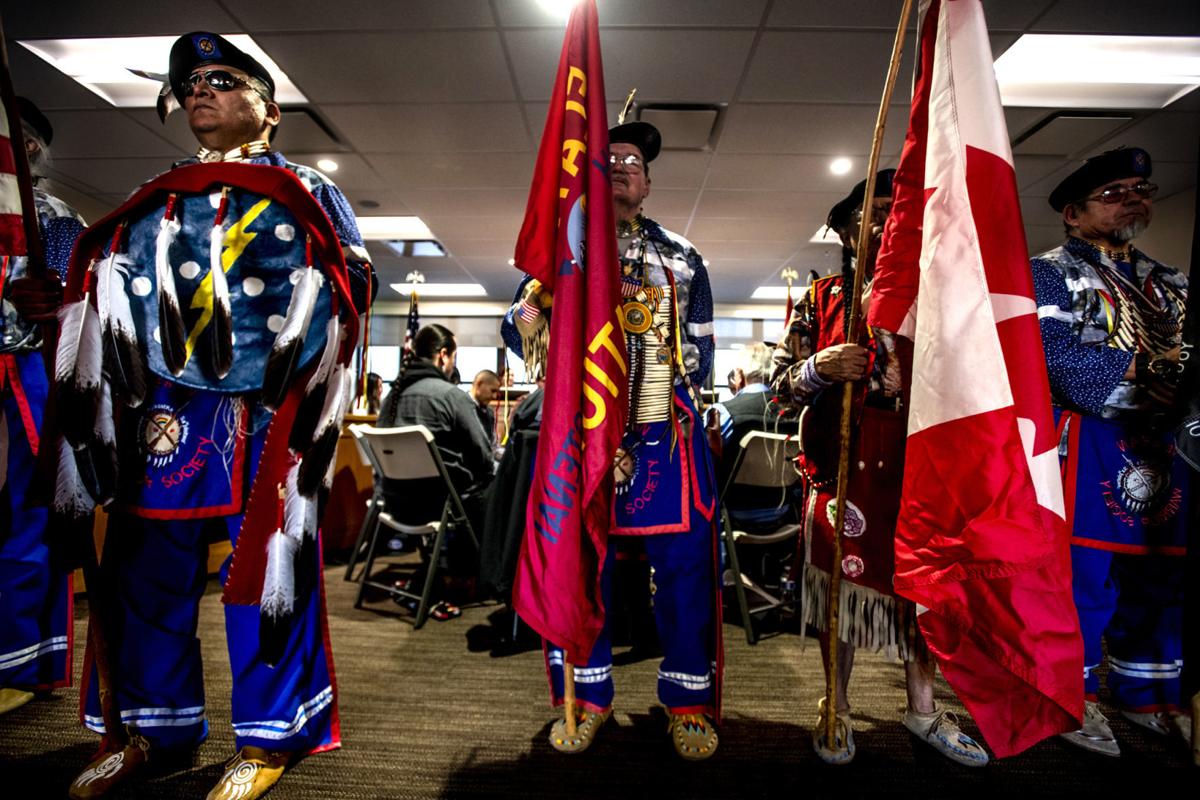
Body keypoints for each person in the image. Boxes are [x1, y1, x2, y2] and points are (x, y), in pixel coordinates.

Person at [60, 33, 375, 800]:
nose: (201, 90)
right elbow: (112, 297)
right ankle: (153, 726)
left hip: (271, 404)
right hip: (165, 401)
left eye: (224, 79)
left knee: (263, 568)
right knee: (148, 564)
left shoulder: (305, 188)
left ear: (268, 108)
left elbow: (354, 283)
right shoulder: (158, 193)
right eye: (191, 82)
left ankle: (269, 736)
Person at [502, 119, 720, 760]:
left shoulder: (683, 255)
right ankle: (585, 697)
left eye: (634, 161)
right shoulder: (560, 247)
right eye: (611, 158)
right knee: (579, 565)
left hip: (664, 432)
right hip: (580, 431)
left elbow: (701, 357)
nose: (622, 166)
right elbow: (519, 338)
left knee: (684, 567)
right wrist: (536, 303)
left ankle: (686, 703)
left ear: (648, 183)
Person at [772, 171, 988, 767]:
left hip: (923, 468)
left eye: (901, 211)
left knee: (928, 591)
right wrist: (818, 367)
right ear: (844, 229)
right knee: (837, 590)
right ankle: (836, 703)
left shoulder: (941, 301)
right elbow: (779, 392)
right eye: (876, 211)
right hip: (844, 470)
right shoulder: (821, 302)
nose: (890, 221)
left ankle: (922, 710)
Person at [1032, 147, 1191, 756]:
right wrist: (1146, 367)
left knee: (1160, 572)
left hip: (1166, 443)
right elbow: (1056, 363)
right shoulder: (1048, 273)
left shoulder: (1171, 281)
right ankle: (1075, 698)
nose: (1133, 198)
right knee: (1085, 579)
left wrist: (1178, 379)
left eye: (1140, 188)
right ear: (1073, 214)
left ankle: (1146, 694)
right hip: (1089, 441)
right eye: (1114, 192)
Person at [0, 97, 87, 716]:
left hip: (26, 377)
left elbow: (81, 309)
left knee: (27, 523)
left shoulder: (53, 219)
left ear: (26, 149)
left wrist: (53, 299)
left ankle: (18, 658)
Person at [377, 324, 495, 526]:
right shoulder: (451, 396)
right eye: (454, 357)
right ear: (443, 355)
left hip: (393, 502)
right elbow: (484, 459)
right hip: (438, 505)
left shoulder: (391, 397)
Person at [470, 368, 501, 446]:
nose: (494, 396)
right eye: (492, 391)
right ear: (479, 384)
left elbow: (493, 445)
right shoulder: (459, 407)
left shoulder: (489, 413)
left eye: (497, 392)